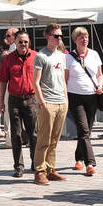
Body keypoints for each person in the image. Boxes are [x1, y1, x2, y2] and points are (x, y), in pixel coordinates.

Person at [31, 24, 69, 186]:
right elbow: (36, 82)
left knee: (55, 139)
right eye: (56, 36)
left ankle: (50, 168)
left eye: (60, 36)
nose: (59, 38)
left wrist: (66, 99)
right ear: (47, 36)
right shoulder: (41, 56)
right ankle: (39, 170)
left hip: (61, 102)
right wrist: (42, 102)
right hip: (48, 102)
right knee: (44, 138)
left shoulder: (62, 56)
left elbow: (63, 80)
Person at [0, 31, 38, 178]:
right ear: (15, 43)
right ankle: (19, 166)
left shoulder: (35, 57)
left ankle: (35, 162)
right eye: (20, 42)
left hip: (31, 99)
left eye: (25, 42)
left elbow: (42, 79)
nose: (23, 44)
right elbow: (2, 81)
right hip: (14, 99)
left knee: (34, 134)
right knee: (16, 135)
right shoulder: (8, 59)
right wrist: (1, 101)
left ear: (29, 43)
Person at [65, 26, 103, 176]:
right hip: (75, 96)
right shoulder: (68, 57)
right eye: (81, 37)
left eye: (86, 36)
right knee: (83, 130)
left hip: (92, 96)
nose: (85, 39)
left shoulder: (94, 54)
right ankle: (90, 163)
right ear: (75, 40)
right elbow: (65, 78)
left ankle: (79, 158)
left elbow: (100, 75)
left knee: (86, 131)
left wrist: (100, 85)